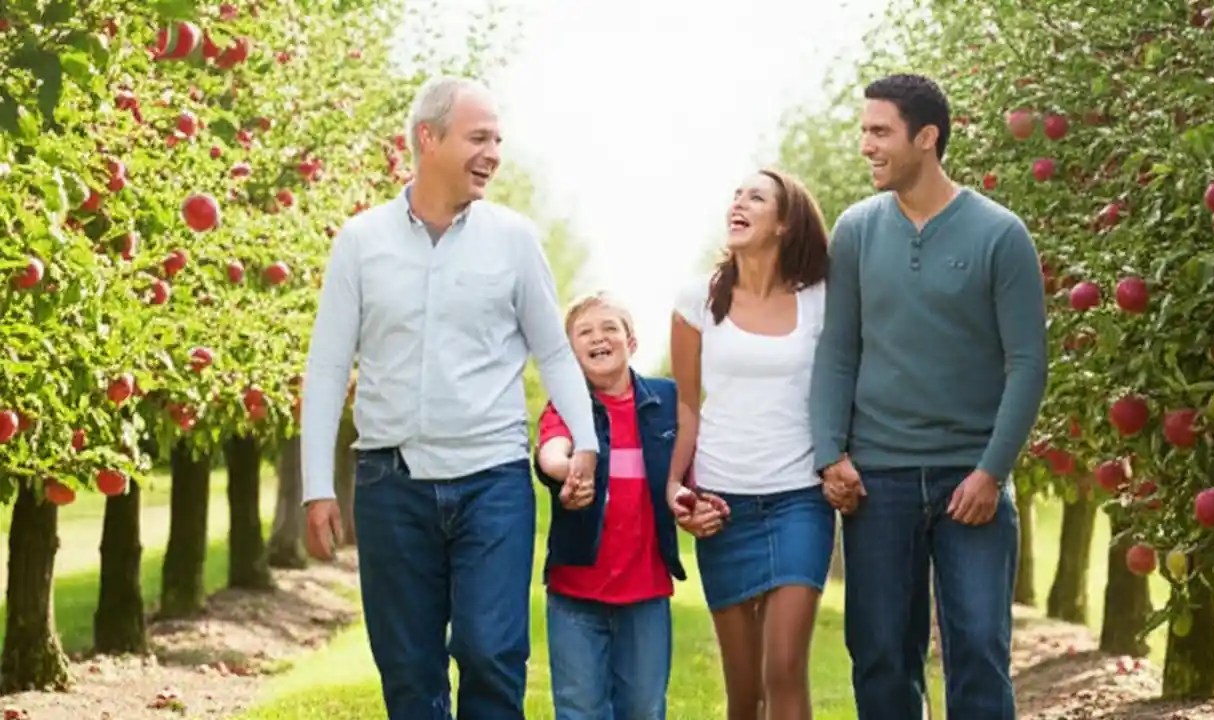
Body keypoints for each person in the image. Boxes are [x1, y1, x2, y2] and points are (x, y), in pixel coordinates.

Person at [299, 76, 599, 720]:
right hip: (390, 483)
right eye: (479, 137)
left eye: (498, 139)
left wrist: (587, 442)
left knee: (492, 652)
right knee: (409, 672)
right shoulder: (361, 241)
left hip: (491, 479)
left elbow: (552, 350)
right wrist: (317, 485)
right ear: (428, 139)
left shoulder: (514, 239)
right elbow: (327, 367)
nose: (494, 152)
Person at [810, 73, 1048, 719]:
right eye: (864, 131)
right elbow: (838, 349)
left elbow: (1027, 364)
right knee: (882, 652)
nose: (866, 145)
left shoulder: (1000, 234)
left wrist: (991, 473)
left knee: (977, 649)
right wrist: (831, 453)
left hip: (970, 480)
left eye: (879, 131)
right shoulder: (856, 230)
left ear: (927, 136)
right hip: (877, 480)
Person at [668, 168, 834, 720]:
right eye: (735, 194)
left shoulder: (820, 300)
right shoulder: (697, 299)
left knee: (783, 667)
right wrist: (675, 488)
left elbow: (841, 390)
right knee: (744, 694)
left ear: (784, 223)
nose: (737, 202)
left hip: (799, 500)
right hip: (722, 504)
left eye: (755, 197)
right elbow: (687, 407)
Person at [533, 291, 702, 720]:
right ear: (570, 352)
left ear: (632, 342)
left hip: (645, 594)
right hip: (576, 595)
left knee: (644, 708)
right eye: (585, 332)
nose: (599, 337)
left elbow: (689, 464)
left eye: (610, 328)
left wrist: (695, 498)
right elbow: (551, 448)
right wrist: (567, 469)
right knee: (579, 708)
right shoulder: (567, 405)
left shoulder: (666, 401)